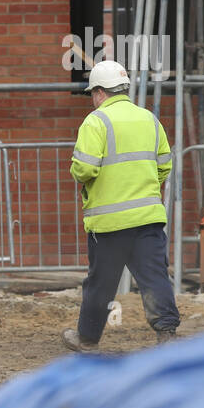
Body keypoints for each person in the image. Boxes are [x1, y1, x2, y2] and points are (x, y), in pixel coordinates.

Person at [63, 59, 180, 352]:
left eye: (92, 93)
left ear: (100, 92)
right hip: (148, 218)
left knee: (101, 283)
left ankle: (87, 338)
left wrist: (80, 176)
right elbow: (164, 164)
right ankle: (166, 333)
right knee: (155, 278)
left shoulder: (96, 121)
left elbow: (85, 170)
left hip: (110, 223)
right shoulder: (149, 118)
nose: (93, 99)